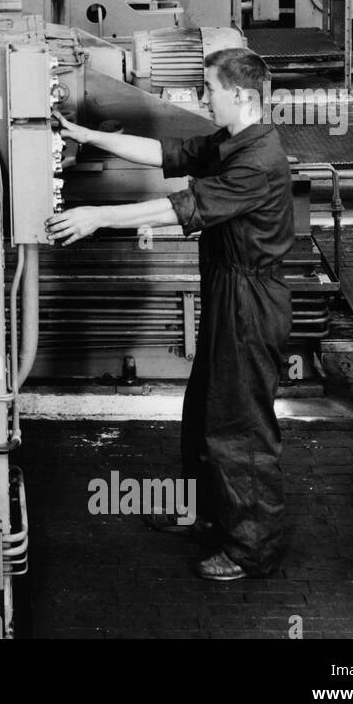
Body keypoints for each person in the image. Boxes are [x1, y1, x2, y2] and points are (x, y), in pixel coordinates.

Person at [47, 48, 294, 581]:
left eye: (211, 89)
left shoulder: (257, 160)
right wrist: (84, 135)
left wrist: (96, 217)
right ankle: (212, 516)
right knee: (206, 413)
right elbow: (164, 154)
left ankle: (253, 548)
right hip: (229, 291)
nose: (205, 98)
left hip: (250, 303)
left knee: (240, 427)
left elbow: (176, 207)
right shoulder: (233, 143)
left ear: (242, 96)